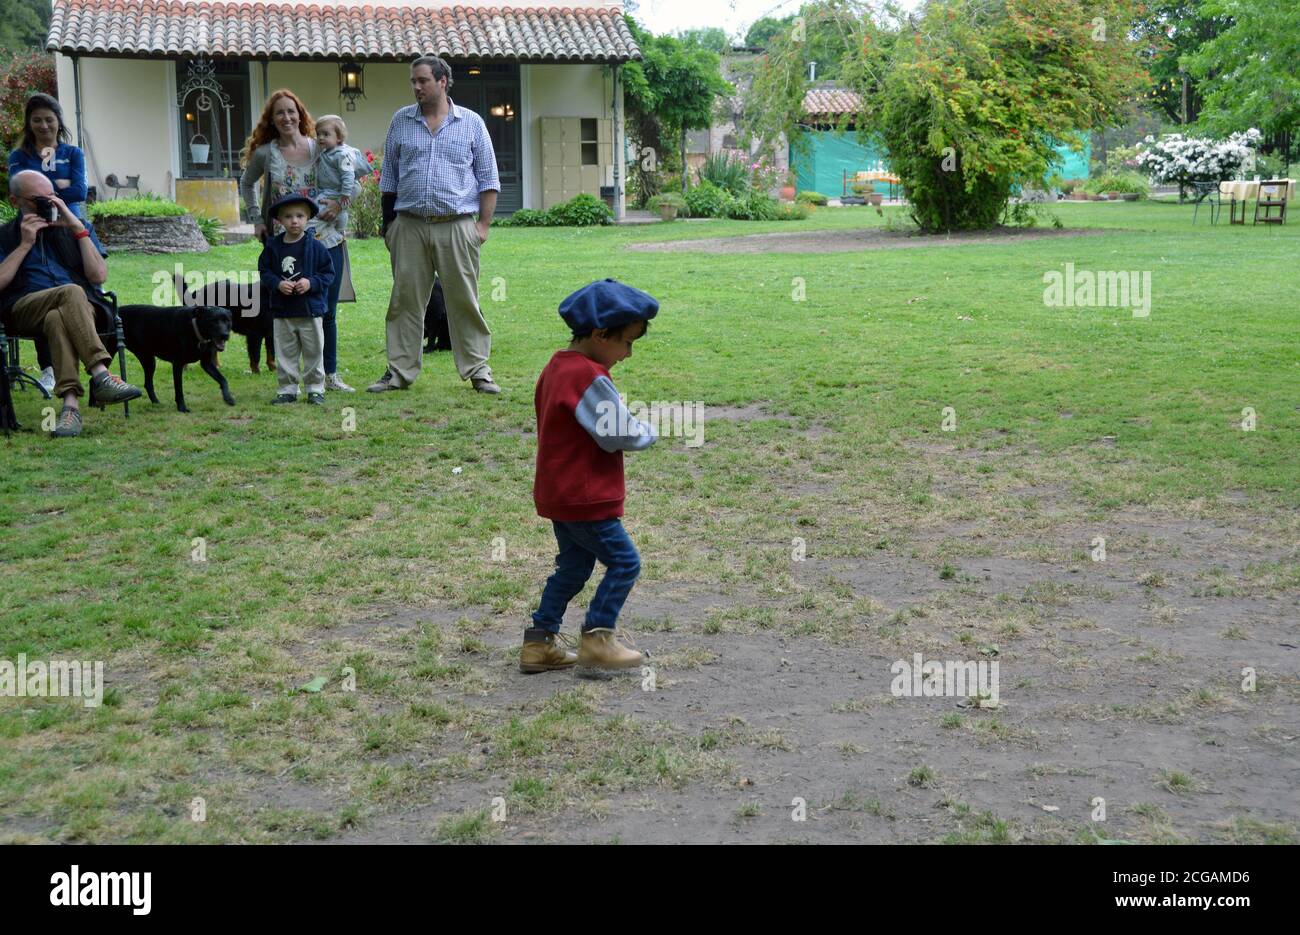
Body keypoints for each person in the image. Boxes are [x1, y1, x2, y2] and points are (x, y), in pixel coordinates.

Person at [521, 280, 659, 678]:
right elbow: (618, 432)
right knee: (625, 562)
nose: (629, 354)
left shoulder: (558, 366)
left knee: (573, 569)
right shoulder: (587, 375)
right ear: (600, 334)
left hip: (559, 493)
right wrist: (650, 430)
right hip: (585, 497)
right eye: (627, 343)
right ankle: (598, 639)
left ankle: (538, 643)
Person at [370, 55, 501, 395]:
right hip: (409, 225)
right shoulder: (401, 121)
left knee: (464, 301)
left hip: (457, 225)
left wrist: (482, 226)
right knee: (404, 302)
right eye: (413, 81)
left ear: (443, 81)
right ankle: (398, 372)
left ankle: (479, 371)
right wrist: (389, 227)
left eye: (423, 81)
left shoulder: (471, 123)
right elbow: (389, 178)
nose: (416, 87)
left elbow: (488, 178)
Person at [0, 170, 141, 437]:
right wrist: (24, 244)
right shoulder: (6, 235)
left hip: (79, 308)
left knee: (58, 315)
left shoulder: (76, 226)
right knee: (70, 292)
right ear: (15, 201)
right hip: (23, 306)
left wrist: (78, 229)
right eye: (37, 200)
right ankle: (101, 376)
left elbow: (98, 276)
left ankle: (70, 409)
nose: (46, 205)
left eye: (51, 197)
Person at [7, 93, 89, 395]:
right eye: (37, 120)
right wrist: (58, 185)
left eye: (49, 119)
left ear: (59, 122)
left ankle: (81, 368)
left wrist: (44, 186)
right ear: (29, 124)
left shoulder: (73, 152)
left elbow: (80, 191)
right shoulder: (18, 156)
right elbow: (21, 190)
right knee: (41, 289)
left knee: (75, 283)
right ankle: (51, 369)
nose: (44, 125)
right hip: (32, 228)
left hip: (67, 227)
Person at [239, 89, 322, 372]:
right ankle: (285, 366)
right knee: (282, 301)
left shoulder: (317, 147)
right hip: (279, 239)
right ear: (271, 120)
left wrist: (339, 204)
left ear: (300, 114)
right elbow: (247, 183)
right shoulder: (266, 152)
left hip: (316, 237)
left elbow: (345, 174)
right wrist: (256, 219)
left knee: (315, 302)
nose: (286, 117)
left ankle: (320, 369)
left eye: (291, 111)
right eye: (279, 113)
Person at [257, 194, 334, 405]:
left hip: (310, 311)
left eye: (300, 216)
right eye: (288, 216)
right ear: (279, 220)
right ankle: (287, 389)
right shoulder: (273, 247)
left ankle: (315, 388)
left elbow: (328, 274)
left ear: (308, 217)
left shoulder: (316, 247)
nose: (294, 221)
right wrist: (277, 284)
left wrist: (311, 283)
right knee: (285, 352)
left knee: (314, 352)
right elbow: (264, 271)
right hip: (283, 311)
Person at [312, 114, 358, 392]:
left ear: (339, 137)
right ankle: (299, 374)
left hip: (331, 238)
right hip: (304, 237)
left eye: (325, 134)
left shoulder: (343, 154)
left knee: (328, 311)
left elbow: (354, 180)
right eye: (318, 134)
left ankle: (329, 374)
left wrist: (341, 202)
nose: (320, 139)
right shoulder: (315, 155)